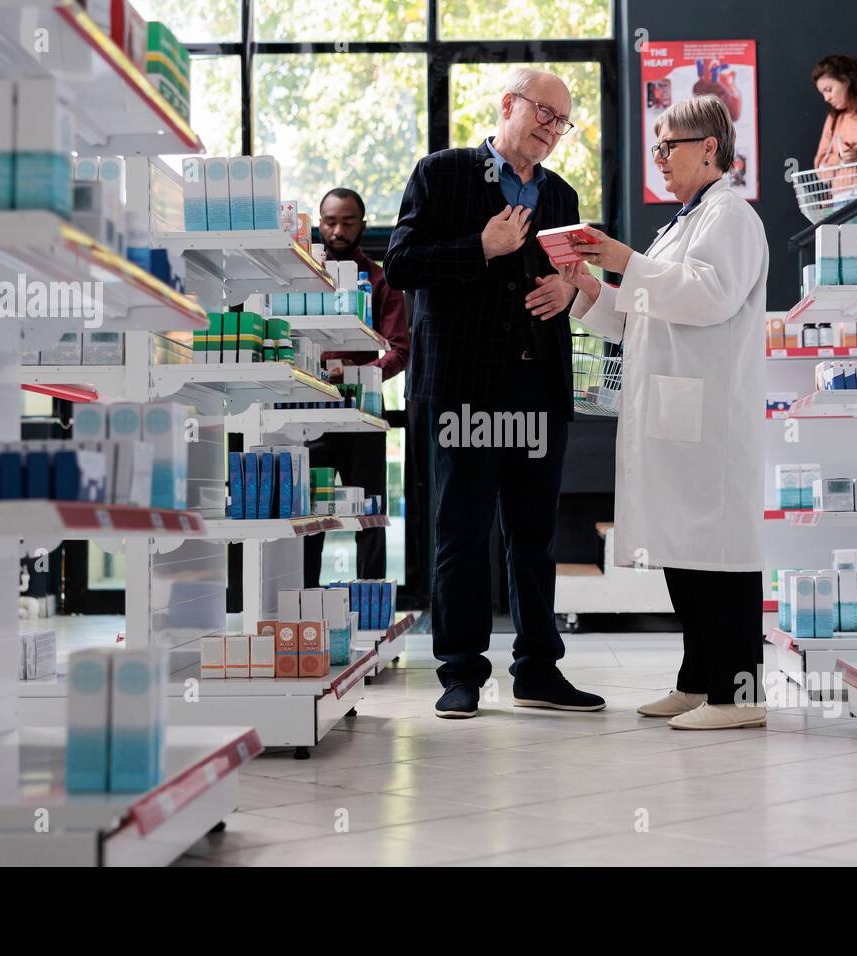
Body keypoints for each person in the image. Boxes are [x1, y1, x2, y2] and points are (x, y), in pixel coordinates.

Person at [384, 68, 605, 719]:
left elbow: (579, 278)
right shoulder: (443, 174)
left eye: (562, 121)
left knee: (534, 534)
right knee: (461, 530)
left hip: (538, 389)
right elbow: (400, 263)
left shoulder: (561, 196)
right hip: (465, 393)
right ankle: (459, 672)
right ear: (508, 105)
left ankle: (538, 669)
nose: (552, 128)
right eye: (543, 112)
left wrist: (569, 291)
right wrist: (479, 247)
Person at [559, 95, 768, 731]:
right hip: (675, 416)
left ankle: (740, 695)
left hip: (710, 421)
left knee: (720, 557)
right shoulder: (684, 221)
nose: (659, 161)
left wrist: (625, 262)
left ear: (709, 147)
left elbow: (709, 296)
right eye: (655, 149)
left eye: (667, 147)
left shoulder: (730, 216)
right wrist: (590, 288)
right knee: (684, 552)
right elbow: (646, 312)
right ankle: (698, 679)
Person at [303, 187, 410, 585]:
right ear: (319, 222)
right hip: (310, 411)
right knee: (308, 518)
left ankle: (371, 612)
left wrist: (358, 376)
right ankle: (303, 605)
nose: (338, 230)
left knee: (368, 517)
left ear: (362, 224)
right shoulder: (304, 275)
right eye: (330, 221)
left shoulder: (383, 280)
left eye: (348, 221)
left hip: (363, 412)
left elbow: (399, 350)